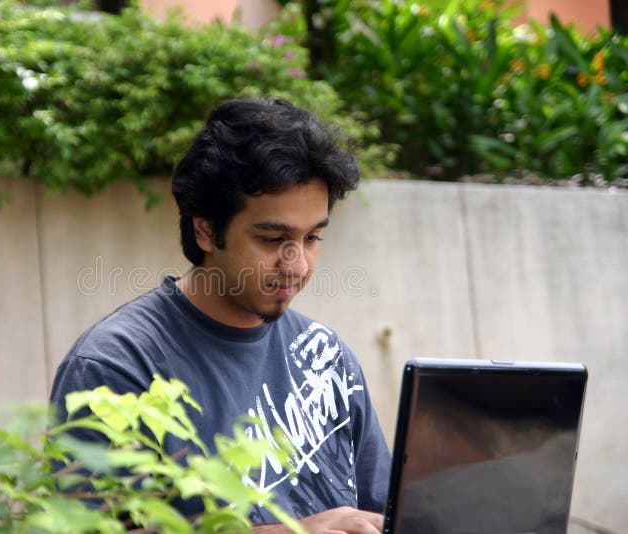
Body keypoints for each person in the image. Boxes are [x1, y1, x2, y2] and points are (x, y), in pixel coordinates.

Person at [50, 97, 391, 533]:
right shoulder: (116, 366)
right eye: (272, 239)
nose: (298, 264)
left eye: (313, 238)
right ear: (206, 229)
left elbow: (383, 509)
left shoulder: (325, 354)